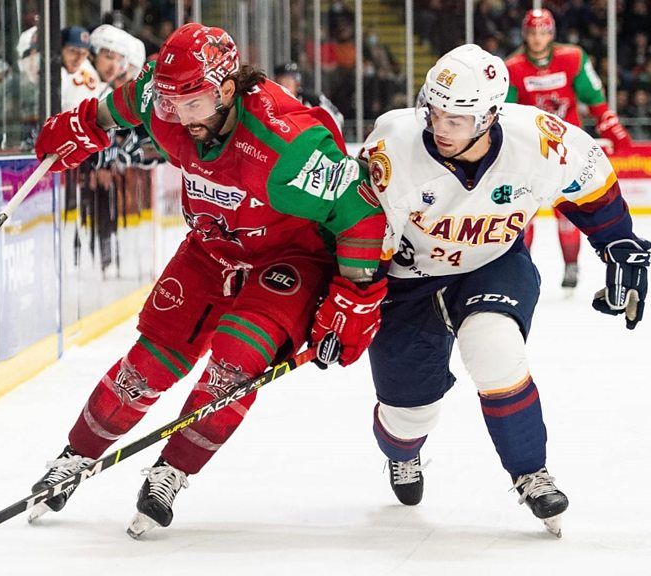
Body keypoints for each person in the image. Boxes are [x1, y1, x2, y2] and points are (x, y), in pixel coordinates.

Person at [29, 23, 386, 538]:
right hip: (211, 250)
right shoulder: (170, 96)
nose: (177, 118)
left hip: (287, 258)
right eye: (169, 104)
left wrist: (355, 297)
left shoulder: (287, 146)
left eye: (190, 104)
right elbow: (131, 101)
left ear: (225, 88)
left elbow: (359, 211)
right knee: (147, 364)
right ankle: (74, 457)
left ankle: (172, 471)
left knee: (233, 368)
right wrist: (87, 123)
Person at [359, 44, 651, 537]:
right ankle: (403, 452)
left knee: (495, 347)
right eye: (434, 111)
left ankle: (530, 471)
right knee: (409, 411)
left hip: (492, 264)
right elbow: (358, 233)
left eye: (457, 119)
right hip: (407, 280)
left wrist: (619, 245)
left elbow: (592, 182)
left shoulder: (537, 139)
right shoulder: (392, 143)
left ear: (490, 115)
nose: (440, 127)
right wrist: (343, 301)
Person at [505, 9, 632, 289]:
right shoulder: (512, 67)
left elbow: (594, 96)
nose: (537, 39)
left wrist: (611, 124)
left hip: (567, 149)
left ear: (551, 34)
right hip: (530, 152)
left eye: (543, 32)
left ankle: (572, 265)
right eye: (532, 32)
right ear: (525, 35)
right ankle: (520, 265)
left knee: (568, 213)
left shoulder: (572, 58)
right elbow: (506, 114)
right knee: (523, 214)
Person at [273, 62, 345, 131]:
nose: (287, 83)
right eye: (284, 79)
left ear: (298, 82)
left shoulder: (313, 100)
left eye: (291, 78)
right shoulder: (270, 102)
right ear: (277, 81)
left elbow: (337, 118)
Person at [90, 24, 147, 95]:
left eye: (120, 61)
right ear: (93, 54)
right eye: (109, 57)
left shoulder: (106, 93)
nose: (114, 67)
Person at [60, 26, 103, 112]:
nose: (79, 59)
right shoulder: (43, 65)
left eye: (84, 53)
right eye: (73, 51)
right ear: (59, 48)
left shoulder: (89, 74)